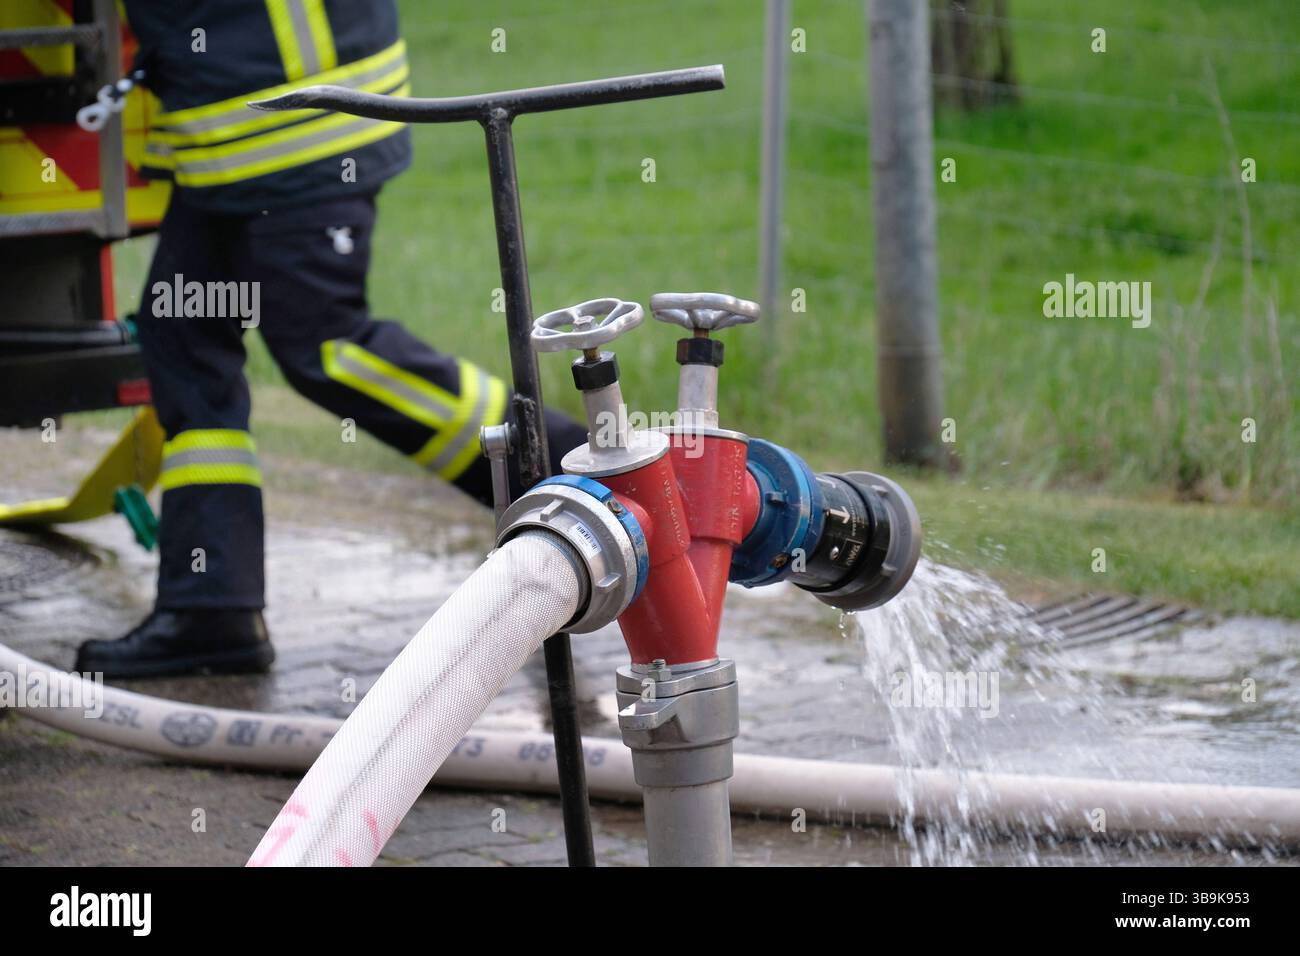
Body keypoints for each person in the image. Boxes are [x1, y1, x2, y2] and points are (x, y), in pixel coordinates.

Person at [75, 1, 586, 678]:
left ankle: (579, 482)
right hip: (230, 126)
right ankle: (211, 607)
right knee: (185, 337)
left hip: (295, 122)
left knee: (329, 348)